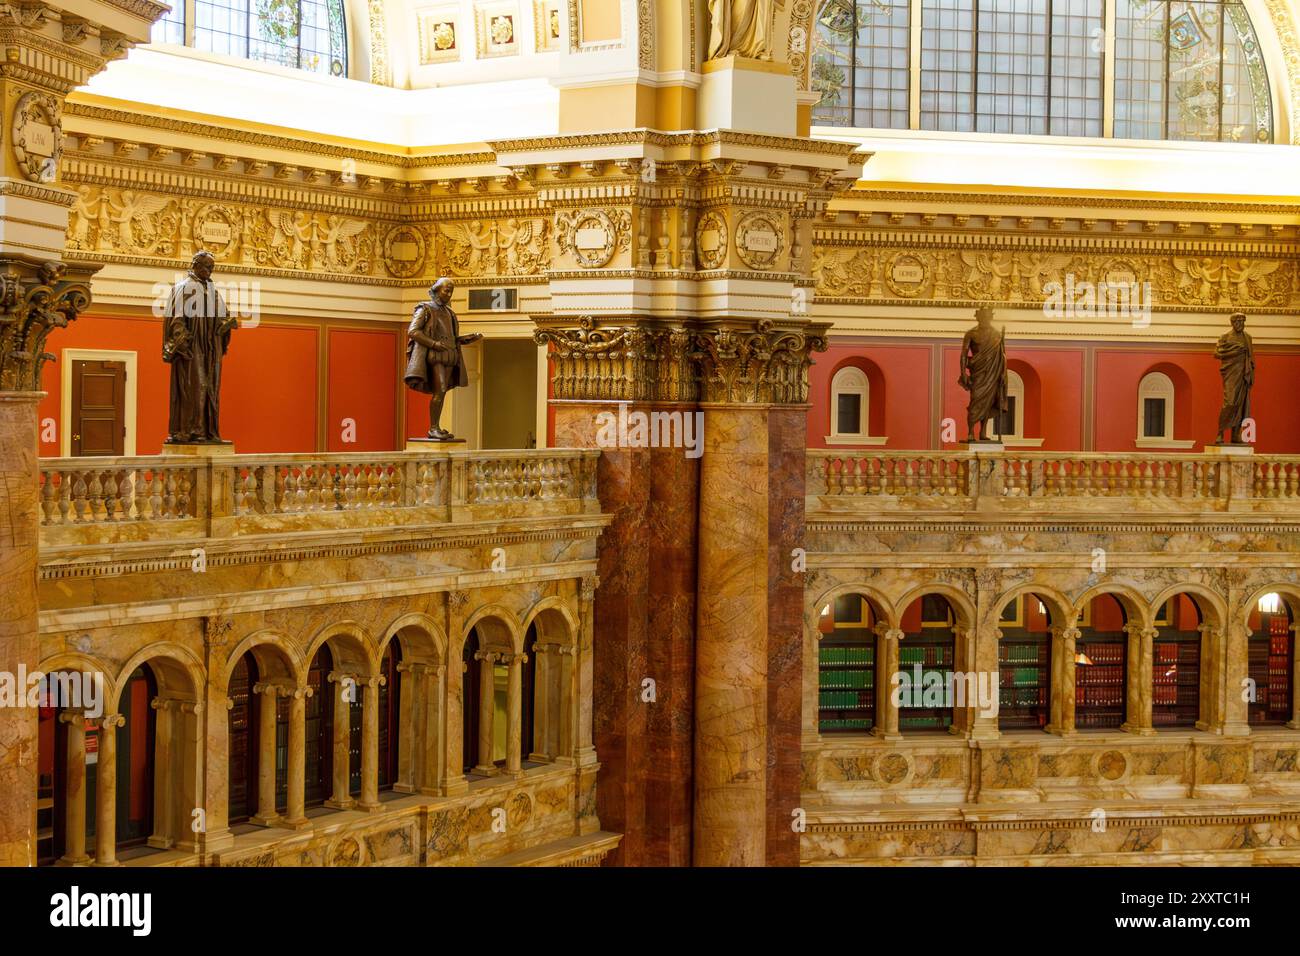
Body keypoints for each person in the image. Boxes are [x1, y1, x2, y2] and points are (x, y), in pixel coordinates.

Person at [163, 250, 235, 443]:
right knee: (194, 388)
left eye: (212, 268)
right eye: (207, 267)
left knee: (211, 388)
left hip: (212, 348)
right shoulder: (183, 287)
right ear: (196, 265)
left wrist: (226, 325)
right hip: (193, 347)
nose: (210, 271)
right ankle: (190, 431)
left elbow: (222, 316)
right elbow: (176, 320)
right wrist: (182, 343)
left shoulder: (213, 291)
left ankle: (207, 431)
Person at [404, 277, 482, 440]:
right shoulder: (425, 309)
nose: (449, 294)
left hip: (450, 355)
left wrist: (466, 339)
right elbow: (413, 331)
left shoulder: (449, 312)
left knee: (443, 391)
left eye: (451, 291)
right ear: (437, 290)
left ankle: (436, 426)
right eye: (446, 290)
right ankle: (433, 428)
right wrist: (433, 344)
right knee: (440, 391)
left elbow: (451, 337)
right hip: (435, 356)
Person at [958, 306, 1007, 442]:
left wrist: (1003, 374)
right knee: (975, 402)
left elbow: (1002, 357)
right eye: (982, 316)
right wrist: (963, 373)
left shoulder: (997, 334)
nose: (985, 319)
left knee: (988, 403)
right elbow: (963, 355)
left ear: (991, 317)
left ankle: (983, 432)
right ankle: (970, 432)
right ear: (978, 317)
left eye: (987, 316)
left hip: (992, 374)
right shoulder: (971, 334)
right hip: (978, 373)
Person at [1214, 312, 1254, 444]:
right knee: (1230, 403)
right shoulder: (1225, 337)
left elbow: (1251, 358)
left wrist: (1250, 373)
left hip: (1243, 373)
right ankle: (1220, 432)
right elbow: (1216, 353)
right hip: (1231, 372)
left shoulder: (1248, 337)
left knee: (1241, 405)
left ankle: (1235, 435)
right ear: (1232, 323)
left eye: (1242, 321)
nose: (1240, 324)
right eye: (1237, 321)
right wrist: (1234, 352)